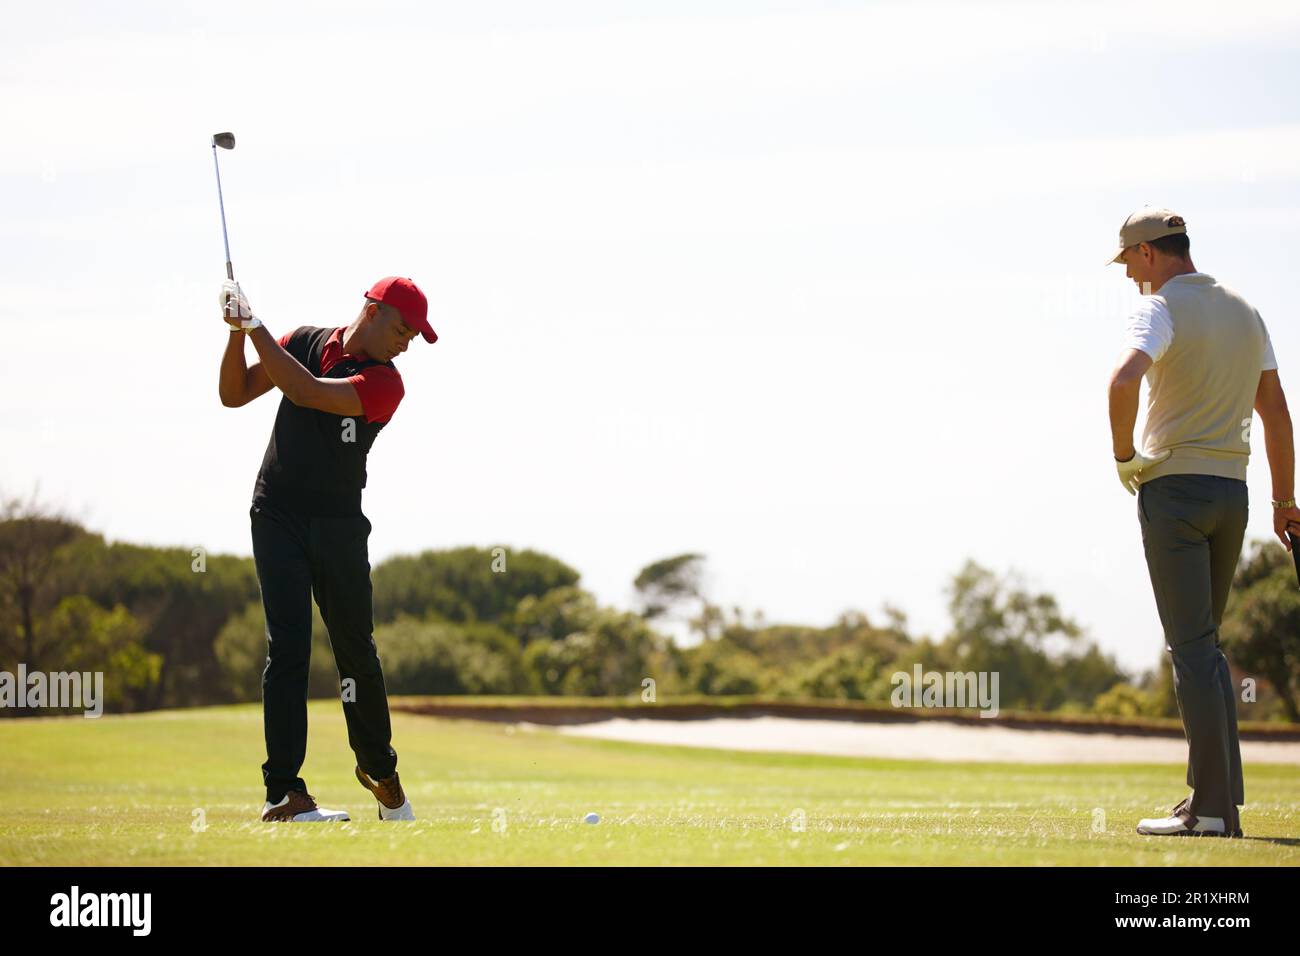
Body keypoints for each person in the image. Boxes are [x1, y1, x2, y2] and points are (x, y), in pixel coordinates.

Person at [1107, 207, 1300, 838]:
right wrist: (1284, 502)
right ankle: (1218, 802)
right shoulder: (1247, 311)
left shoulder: (1159, 308)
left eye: (1130, 262)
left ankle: (1211, 810)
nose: (1131, 277)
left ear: (1149, 254)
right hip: (1235, 494)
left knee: (1192, 651)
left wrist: (1125, 457)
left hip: (1175, 493)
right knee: (1207, 649)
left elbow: (1122, 381)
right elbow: (1275, 413)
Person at [218, 276, 437, 822]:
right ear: (373, 309)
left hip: (338, 525)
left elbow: (309, 392)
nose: (407, 341)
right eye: (403, 328)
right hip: (277, 514)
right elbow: (234, 394)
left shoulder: (386, 384)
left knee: (354, 650)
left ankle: (379, 770)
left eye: (414, 335)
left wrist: (255, 324)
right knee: (288, 649)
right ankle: (284, 794)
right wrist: (236, 334)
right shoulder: (302, 340)